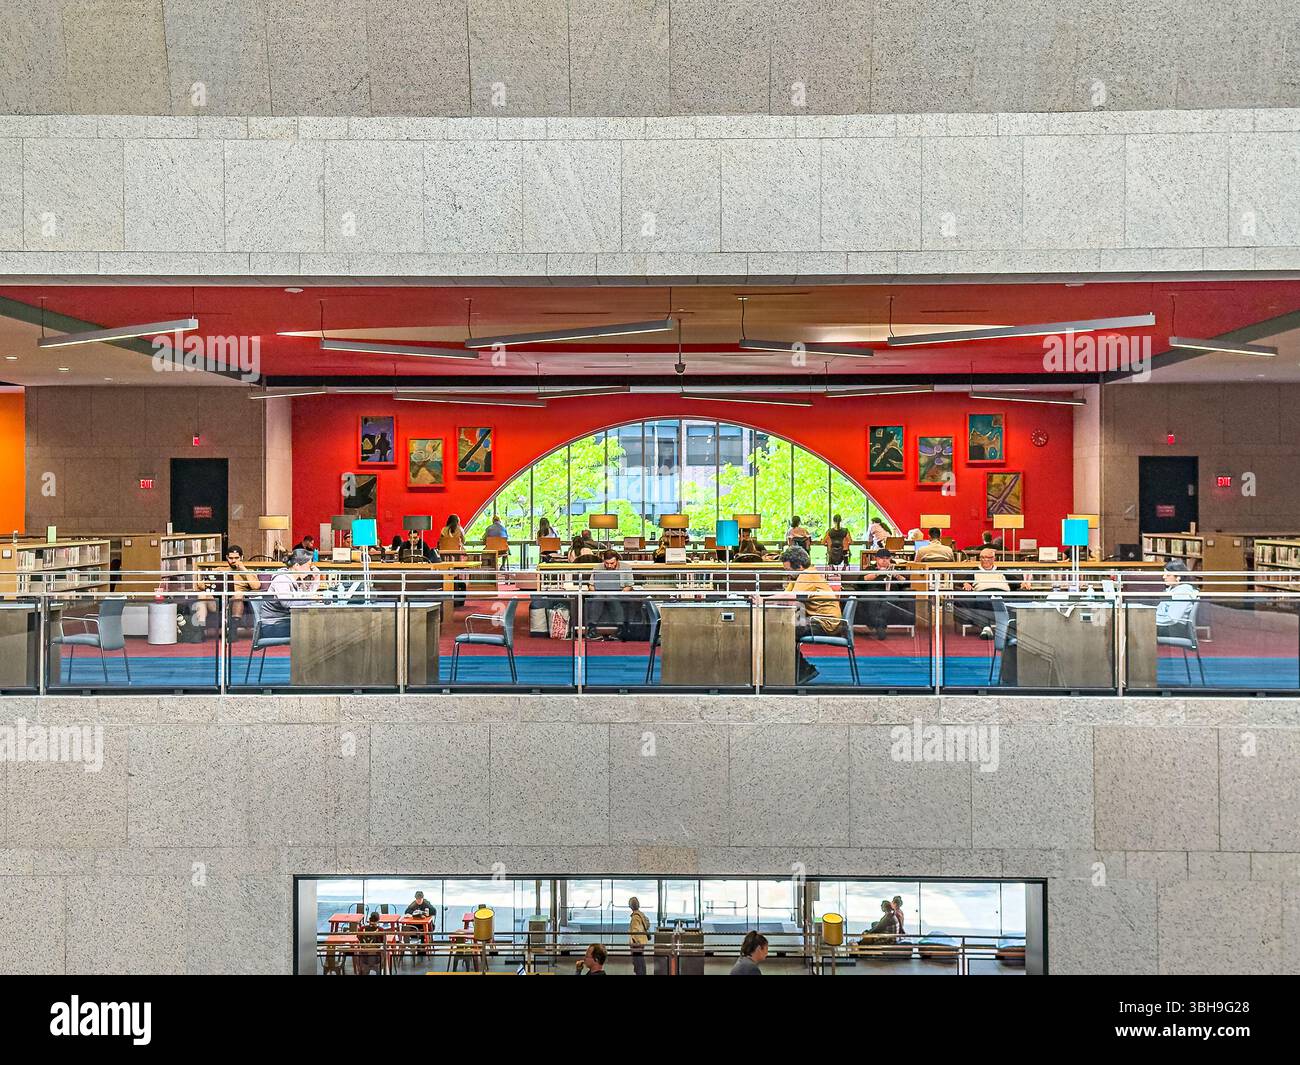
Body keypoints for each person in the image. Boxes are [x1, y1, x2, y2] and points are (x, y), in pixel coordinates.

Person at [778, 546, 843, 685]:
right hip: (816, 619)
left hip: (825, 623)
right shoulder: (798, 576)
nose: (787, 573)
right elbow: (786, 596)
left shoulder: (807, 575)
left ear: (799, 566)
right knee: (782, 630)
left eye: (788, 569)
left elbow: (790, 599)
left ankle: (803, 670)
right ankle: (798, 670)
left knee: (784, 632)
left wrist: (761, 599)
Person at [958, 547, 1031, 638]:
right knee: (981, 600)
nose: (985, 560)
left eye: (987, 557)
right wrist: (966, 584)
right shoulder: (975, 570)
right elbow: (965, 581)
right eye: (982, 557)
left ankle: (1011, 631)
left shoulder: (1001, 570)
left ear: (993, 559)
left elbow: (1016, 582)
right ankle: (986, 629)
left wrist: (1023, 584)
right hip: (984, 593)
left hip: (1002, 594)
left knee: (1008, 602)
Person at [259, 548, 322, 638]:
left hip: (284, 621)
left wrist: (316, 578)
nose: (310, 570)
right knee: (314, 627)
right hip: (272, 626)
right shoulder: (282, 579)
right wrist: (311, 598)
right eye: (308, 566)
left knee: (317, 624)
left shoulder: (295, 579)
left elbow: (307, 596)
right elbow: (287, 603)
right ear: (296, 565)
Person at [857, 548, 911, 640]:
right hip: (873, 592)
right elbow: (861, 581)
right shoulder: (870, 569)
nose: (884, 560)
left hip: (890, 593)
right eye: (882, 558)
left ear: (890, 559)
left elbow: (906, 583)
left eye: (887, 558)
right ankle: (880, 626)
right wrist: (878, 573)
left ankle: (878, 625)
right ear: (876, 559)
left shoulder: (895, 570)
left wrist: (896, 575)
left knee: (888, 601)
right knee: (872, 600)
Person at [586, 550, 632, 640]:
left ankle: (620, 628)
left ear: (617, 560)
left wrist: (620, 592)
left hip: (618, 593)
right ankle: (592, 628)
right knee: (598, 598)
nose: (609, 566)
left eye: (612, 563)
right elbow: (591, 585)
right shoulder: (597, 568)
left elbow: (629, 586)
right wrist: (597, 590)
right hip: (600, 593)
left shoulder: (626, 567)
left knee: (612, 597)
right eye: (606, 563)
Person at [219, 544, 261, 626]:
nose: (233, 561)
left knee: (238, 594)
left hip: (238, 598)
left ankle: (234, 628)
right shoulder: (220, 570)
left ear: (241, 557)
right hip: (219, 598)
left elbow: (256, 586)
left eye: (236, 558)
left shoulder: (249, 572)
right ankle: (198, 630)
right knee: (203, 596)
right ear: (227, 557)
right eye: (231, 558)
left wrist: (243, 569)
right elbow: (201, 585)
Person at [1156, 559, 1199, 634]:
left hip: (1174, 628)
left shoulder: (1183, 592)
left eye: (1168, 575)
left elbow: (1172, 618)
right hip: (1164, 623)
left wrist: (1151, 621)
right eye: (1164, 574)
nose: (1164, 577)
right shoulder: (1172, 589)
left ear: (1178, 577)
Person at [355, 911, 385, 975]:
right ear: (378, 920)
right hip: (377, 958)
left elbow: (358, 938)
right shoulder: (381, 930)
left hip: (364, 958)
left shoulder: (362, 929)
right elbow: (383, 941)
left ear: (369, 920)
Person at [628, 897, 650, 976]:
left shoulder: (635, 917)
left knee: (637, 963)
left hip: (637, 944)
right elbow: (647, 925)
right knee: (641, 962)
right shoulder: (641, 914)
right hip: (642, 942)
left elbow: (635, 931)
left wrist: (634, 942)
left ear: (630, 906)